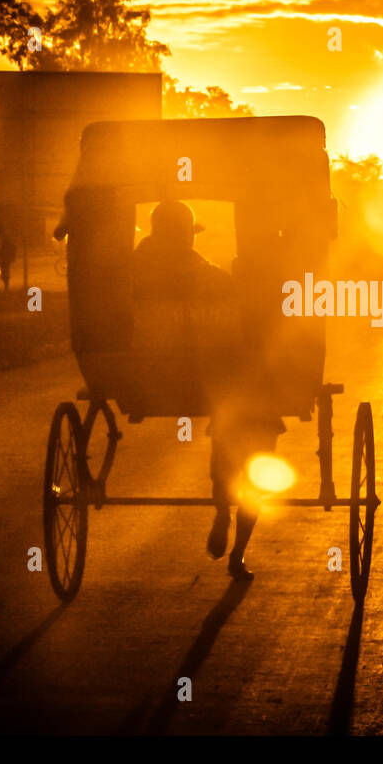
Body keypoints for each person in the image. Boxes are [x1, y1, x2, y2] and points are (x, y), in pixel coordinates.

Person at [131, 200, 268, 579]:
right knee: (252, 466)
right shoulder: (209, 276)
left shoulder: (134, 268)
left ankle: (223, 512)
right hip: (220, 379)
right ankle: (237, 552)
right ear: (190, 234)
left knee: (224, 458)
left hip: (154, 370)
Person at [0, 227, 16, 292]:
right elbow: (14, 246)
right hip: (7, 257)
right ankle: (6, 286)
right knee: (6, 271)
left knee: (3, 271)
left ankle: (5, 286)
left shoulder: (2, 238)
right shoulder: (7, 237)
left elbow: (0, 248)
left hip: (3, 257)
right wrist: (13, 256)